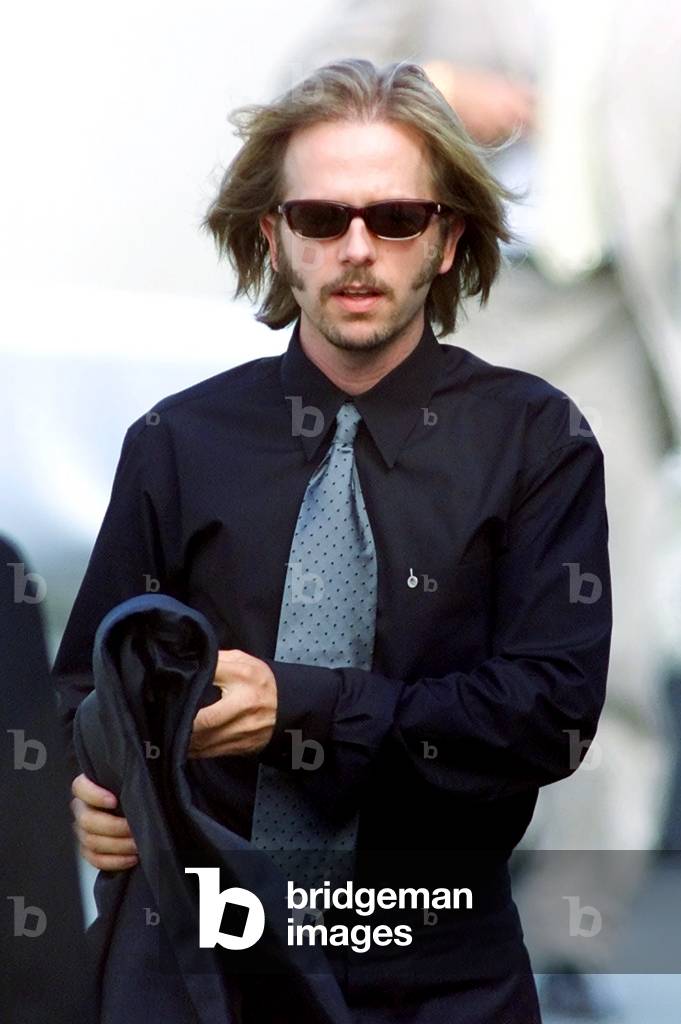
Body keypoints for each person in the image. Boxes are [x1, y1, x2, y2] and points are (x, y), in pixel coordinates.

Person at [53, 59, 611, 1023]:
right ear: (273, 237)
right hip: (203, 965)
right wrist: (95, 784)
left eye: (394, 218)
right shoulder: (178, 441)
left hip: (439, 970)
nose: (357, 249)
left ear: (447, 239)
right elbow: (85, 685)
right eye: (320, 218)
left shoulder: (535, 440)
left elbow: (547, 710)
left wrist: (301, 709)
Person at [283, 2, 681, 1015]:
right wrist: (434, 89)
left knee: (608, 641)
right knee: (412, 620)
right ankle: (378, 912)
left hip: (625, 314)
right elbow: (311, 81)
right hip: (467, 297)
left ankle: (566, 939)